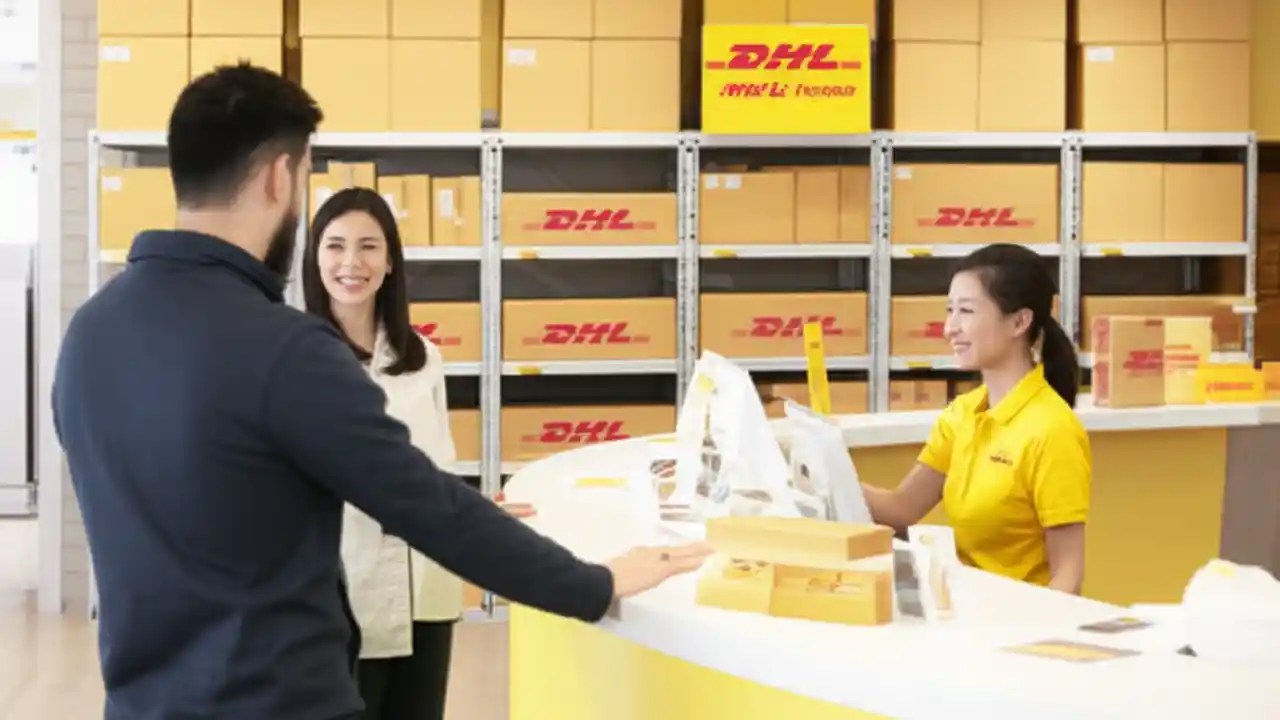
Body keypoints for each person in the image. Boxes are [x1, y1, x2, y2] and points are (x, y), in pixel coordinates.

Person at [52, 63, 708, 720]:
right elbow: (428, 507)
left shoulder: (88, 335)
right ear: (280, 175)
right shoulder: (286, 349)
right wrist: (597, 583)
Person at [303, 187, 462, 720]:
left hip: (425, 590)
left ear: (390, 260)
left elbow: (439, 470)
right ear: (314, 257)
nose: (352, 263)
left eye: (369, 246)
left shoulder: (424, 359)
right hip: (340, 594)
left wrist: (481, 513)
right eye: (335, 246)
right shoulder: (293, 360)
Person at [864, 244, 1091, 594]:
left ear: (1019, 321)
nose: (949, 328)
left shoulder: (1052, 430)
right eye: (949, 310)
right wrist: (824, 475)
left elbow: (1069, 576)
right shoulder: (961, 414)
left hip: (1018, 625)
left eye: (966, 311)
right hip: (964, 609)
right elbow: (901, 509)